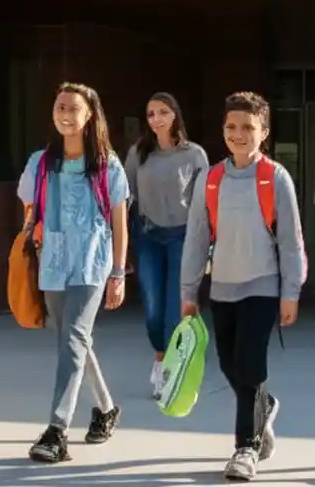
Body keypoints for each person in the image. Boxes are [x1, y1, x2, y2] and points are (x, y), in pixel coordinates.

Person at [180, 91, 306, 482]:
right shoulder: (211, 178)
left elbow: (290, 239)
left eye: (248, 128)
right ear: (223, 130)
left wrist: (291, 292)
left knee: (251, 364)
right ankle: (263, 407)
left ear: (263, 132)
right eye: (232, 127)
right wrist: (188, 292)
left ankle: (245, 448)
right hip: (222, 287)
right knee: (229, 364)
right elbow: (197, 237)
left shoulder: (275, 177)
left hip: (263, 285)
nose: (239, 134)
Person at [18, 82, 129, 463]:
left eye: (73, 108)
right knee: (71, 339)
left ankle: (56, 430)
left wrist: (118, 274)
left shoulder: (107, 164)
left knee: (73, 338)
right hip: (52, 263)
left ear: (89, 116)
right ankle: (107, 407)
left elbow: (120, 222)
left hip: (92, 263)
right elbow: (30, 212)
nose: (65, 113)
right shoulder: (41, 162)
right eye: (60, 106)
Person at [125, 92, 208, 399]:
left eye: (162, 112)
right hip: (148, 235)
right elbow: (126, 196)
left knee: (176, 306)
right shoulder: (139, 153)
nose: (156, 119)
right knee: (151, 306)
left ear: (175, 115)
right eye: (150, 114)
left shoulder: (194, 154)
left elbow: (204, 204)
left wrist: (207, 244)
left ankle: (172, 370)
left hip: (183, 237)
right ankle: (160, 357)